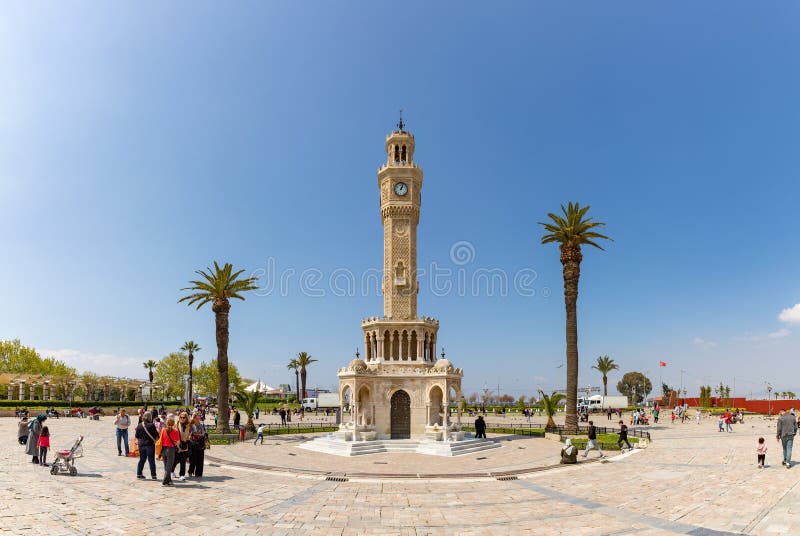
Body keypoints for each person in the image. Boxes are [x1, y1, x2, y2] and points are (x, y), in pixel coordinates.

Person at [135, 412, 159, 480]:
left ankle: (139, 474)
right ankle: (153, 475)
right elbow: (156, 435)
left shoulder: (139, 425)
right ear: (149, 417)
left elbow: (137, 436)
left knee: (142, 459)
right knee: (151, 460)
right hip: (150, 445)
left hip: (141, 445)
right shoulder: (151, 425)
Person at [159, 417, 181, 486]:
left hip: (163, 449)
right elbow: (177, 442)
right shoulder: (175, 432)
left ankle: (169, 480)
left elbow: (161, 440)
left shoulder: (163, 430)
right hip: (171, 450)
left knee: (166, 466)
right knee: (169, 466)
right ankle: (165, 481)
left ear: (166, 423)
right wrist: (179, 448)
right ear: (173, 424)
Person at [172, 412, 191, 481]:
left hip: (185, 444)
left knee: (183, 460)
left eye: (184, 417)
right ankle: (171, 470)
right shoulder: (176, 424)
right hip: (177, 444)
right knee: (176, 460)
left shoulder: (188, 425)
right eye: (181, 417)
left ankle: (182, 475)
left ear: (186, 418)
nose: (182, 419)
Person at [188, 413, 207, 479]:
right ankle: (190, 471)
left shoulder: (201, 425)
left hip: (201, 443)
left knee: (200, 460)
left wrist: (202, 435)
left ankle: (199, 473)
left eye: (199, 417)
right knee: (193, 460)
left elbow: (204, 433)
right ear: (194, 418)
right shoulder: (191, 425)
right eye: (197, 418)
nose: (198, 419)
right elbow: (189, 435)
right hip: (193, 444)